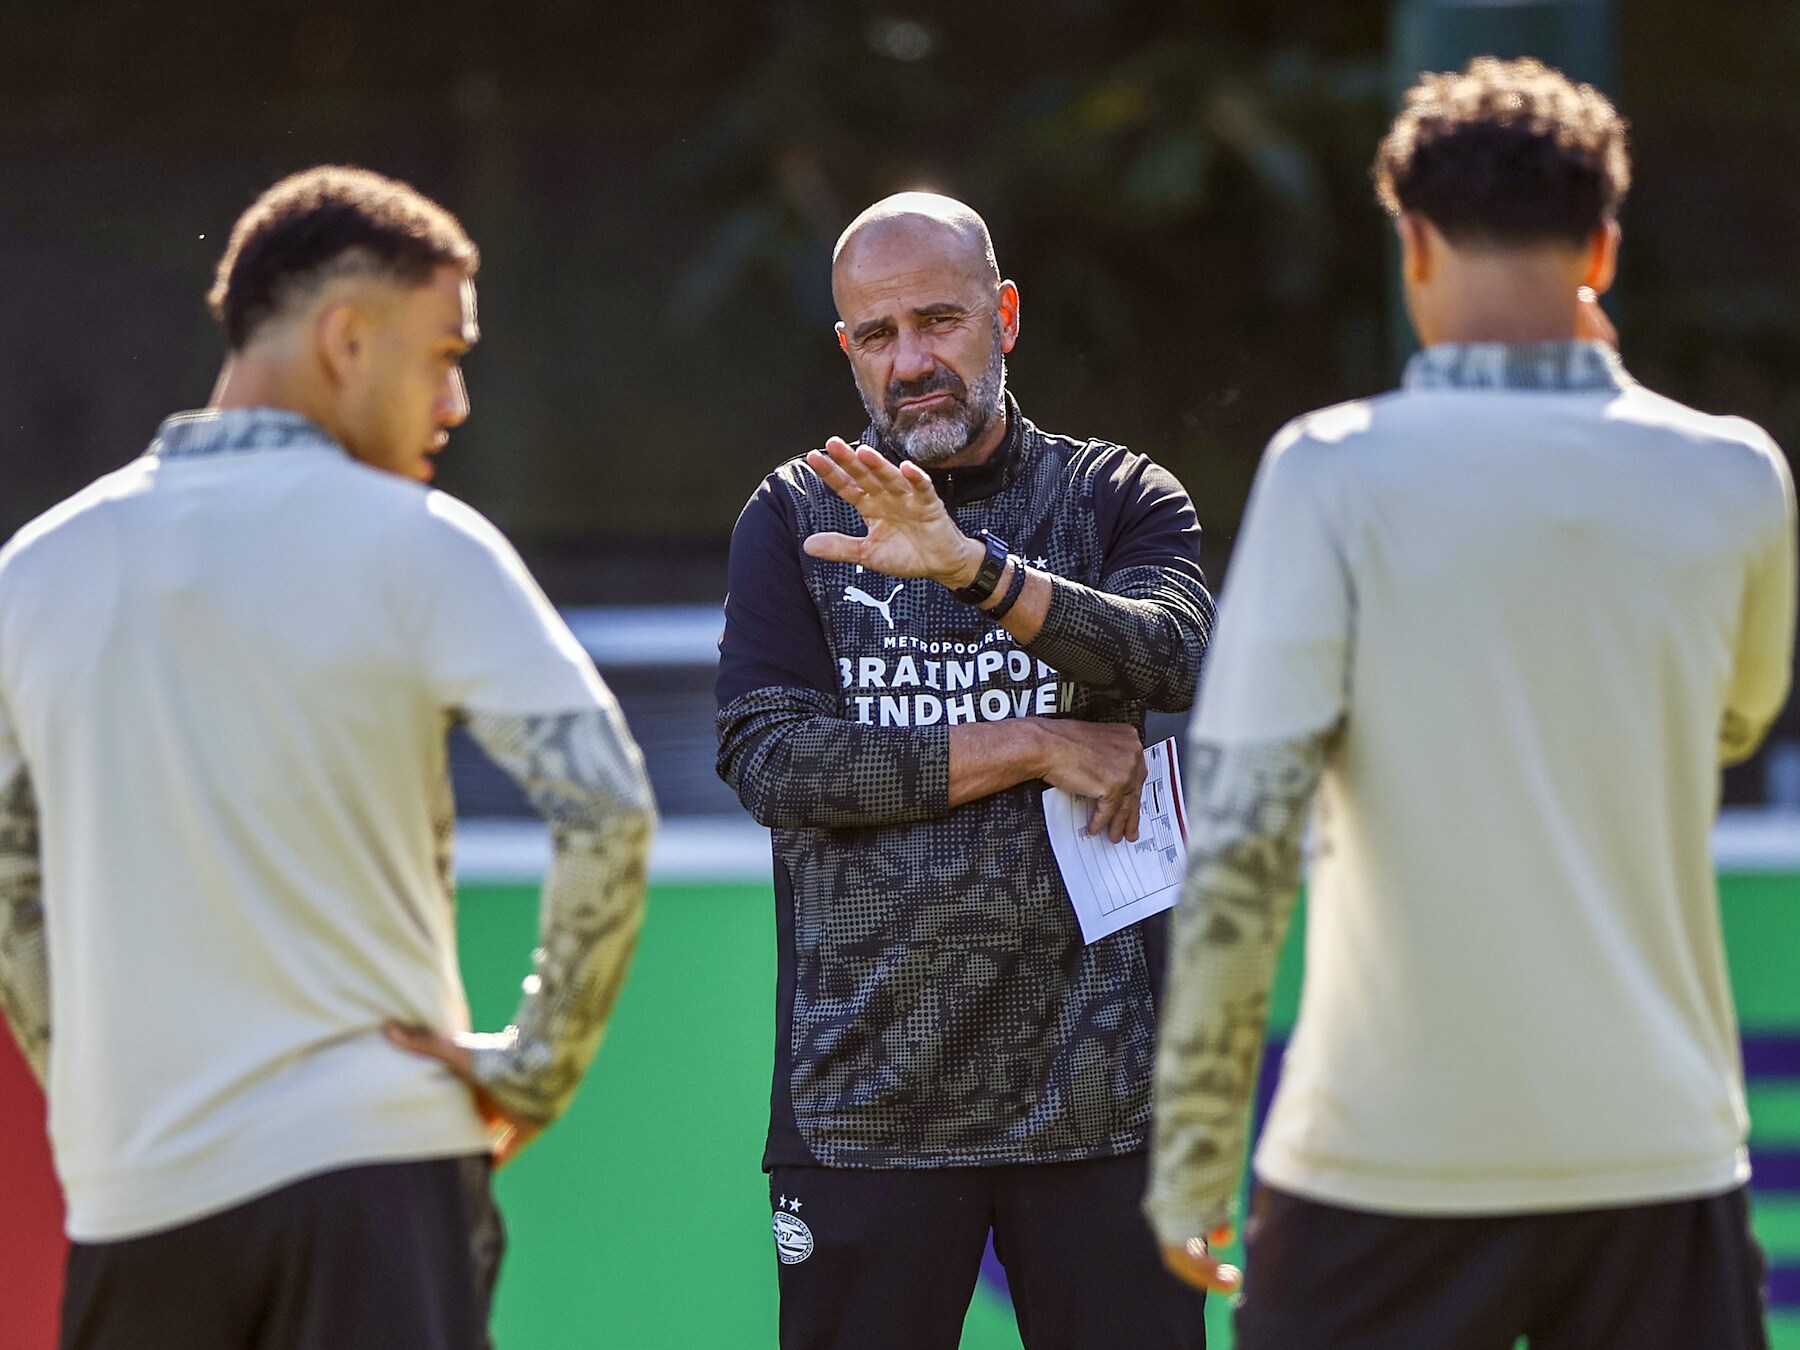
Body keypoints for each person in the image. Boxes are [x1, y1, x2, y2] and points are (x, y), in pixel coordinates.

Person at [1145, 57, 1795, 1350]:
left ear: (1415, 244)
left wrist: (1195, 1148)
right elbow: (1734, 724)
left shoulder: (1330, 474)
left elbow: (1243, 842)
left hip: (1379, 1166)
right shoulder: (1736, 478)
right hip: (1658, 1157)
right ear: (1603, 248)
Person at [0, 165, 657, 1350]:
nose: (455, 400)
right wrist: (536, 1069)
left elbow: (11, 884)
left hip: (136, 1198)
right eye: (443, 354)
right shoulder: (421, 543)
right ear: (347, 340)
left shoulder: (31, 574)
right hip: (378, 1173)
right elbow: (606, 805)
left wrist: (106, 1096)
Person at [715, 191, 1217, 1350]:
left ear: (1006, 315)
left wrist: (971, 570)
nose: (911, 362)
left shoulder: (1116, 494)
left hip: (1104, 1103)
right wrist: (1034, 743)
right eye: (877, 335)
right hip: (863, 1105)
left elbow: (1170, 655)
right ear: (848, 349)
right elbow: (773, 762)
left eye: (938, 321)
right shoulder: (795, 515)